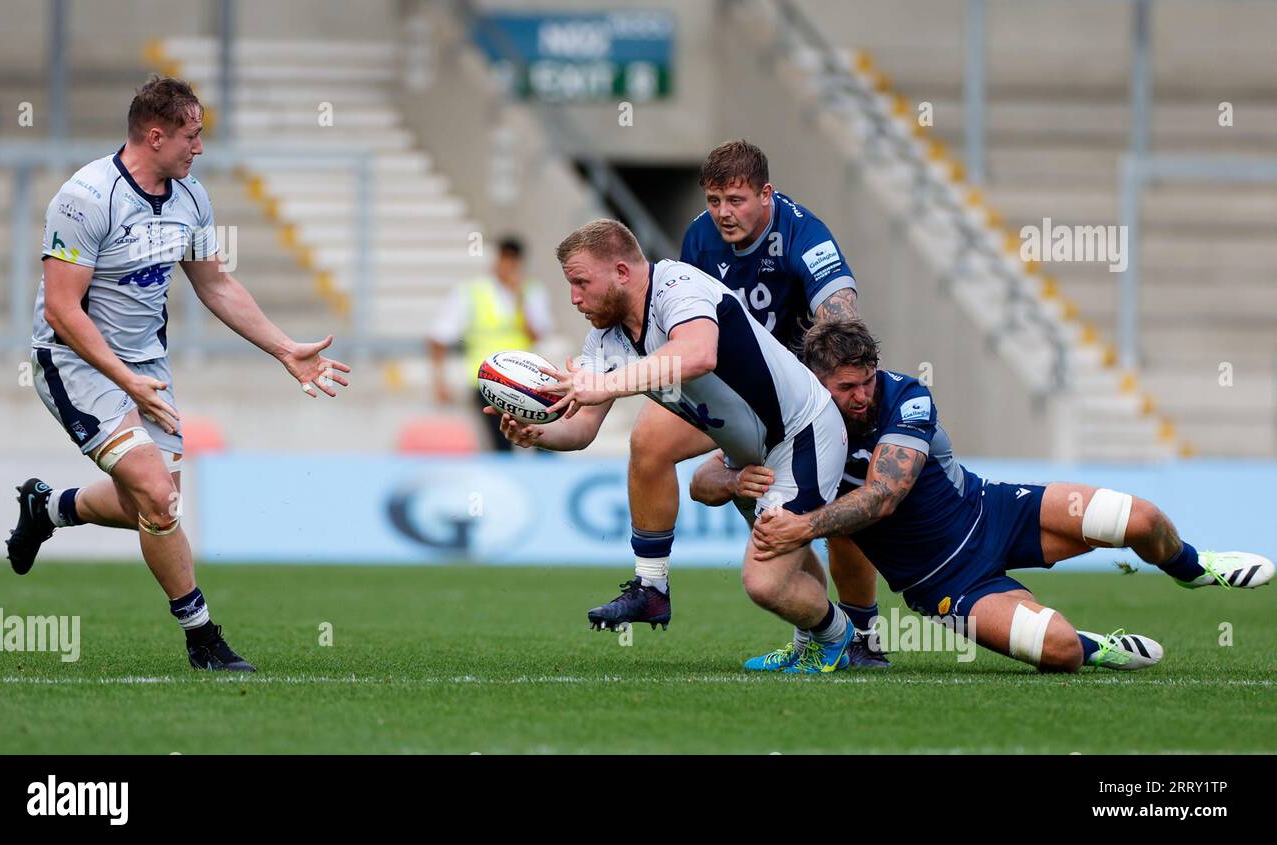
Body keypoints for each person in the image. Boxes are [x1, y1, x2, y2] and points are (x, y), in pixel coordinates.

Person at [5, 76, 351, 672]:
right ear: (156, 135)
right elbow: (63, 312)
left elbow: (214, 282)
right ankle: (203, 639)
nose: (200, 148)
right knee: (159, 498)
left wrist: (282, 349)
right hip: (73, 361)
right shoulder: (85, 197)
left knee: (155, 506)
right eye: (193, 136)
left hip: (145, 366)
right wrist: (125, 380)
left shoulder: (190, 198)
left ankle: (49, 508)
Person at [720, 319, 1273, 672]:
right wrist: (730, 479)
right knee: (1057, 650)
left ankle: (1194, 567)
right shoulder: (790, 421)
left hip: (997, 513)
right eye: (847, 388)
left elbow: (884, 496)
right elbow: (704, 476)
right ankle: (1096, 644)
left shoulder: (905, 396)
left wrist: (805, 525)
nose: (863, 395)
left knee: (1142, 518)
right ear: (815, 383)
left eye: (867, 379)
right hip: (942, 583)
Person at [490, 219, 856, 673]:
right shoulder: (606, 339)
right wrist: (536, 433)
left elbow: (699, 353)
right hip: (750, 452)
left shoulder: (677, 285)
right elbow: (582, 428)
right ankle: (799, 637)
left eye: (581, 282)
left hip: (803, 435)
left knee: (764, 584)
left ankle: (841, 635)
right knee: (785, 560)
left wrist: (608, 385)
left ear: (622, 272)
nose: (574, 298)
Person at [585, 140, 888, 666]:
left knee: (840, 518)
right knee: (648, 441)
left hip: (795, 399)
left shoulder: (805, 236)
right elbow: (685, 316)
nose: (723, 213)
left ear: (766, 195)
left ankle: (861, 636)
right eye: (714, 200)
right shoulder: (700, 236)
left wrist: (836, 396)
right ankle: (652, 585)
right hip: (723, 386)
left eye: (737, 200)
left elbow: (842, 325)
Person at [428, 236, 553, 452]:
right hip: (487, 382)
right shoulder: (471, 292)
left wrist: (520, 302)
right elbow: (439, 335)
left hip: (525, 382)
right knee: (501, 443)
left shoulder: (531, 291)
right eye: (505, 259)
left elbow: (536, 336)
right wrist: (440, 381)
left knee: (542, 441)